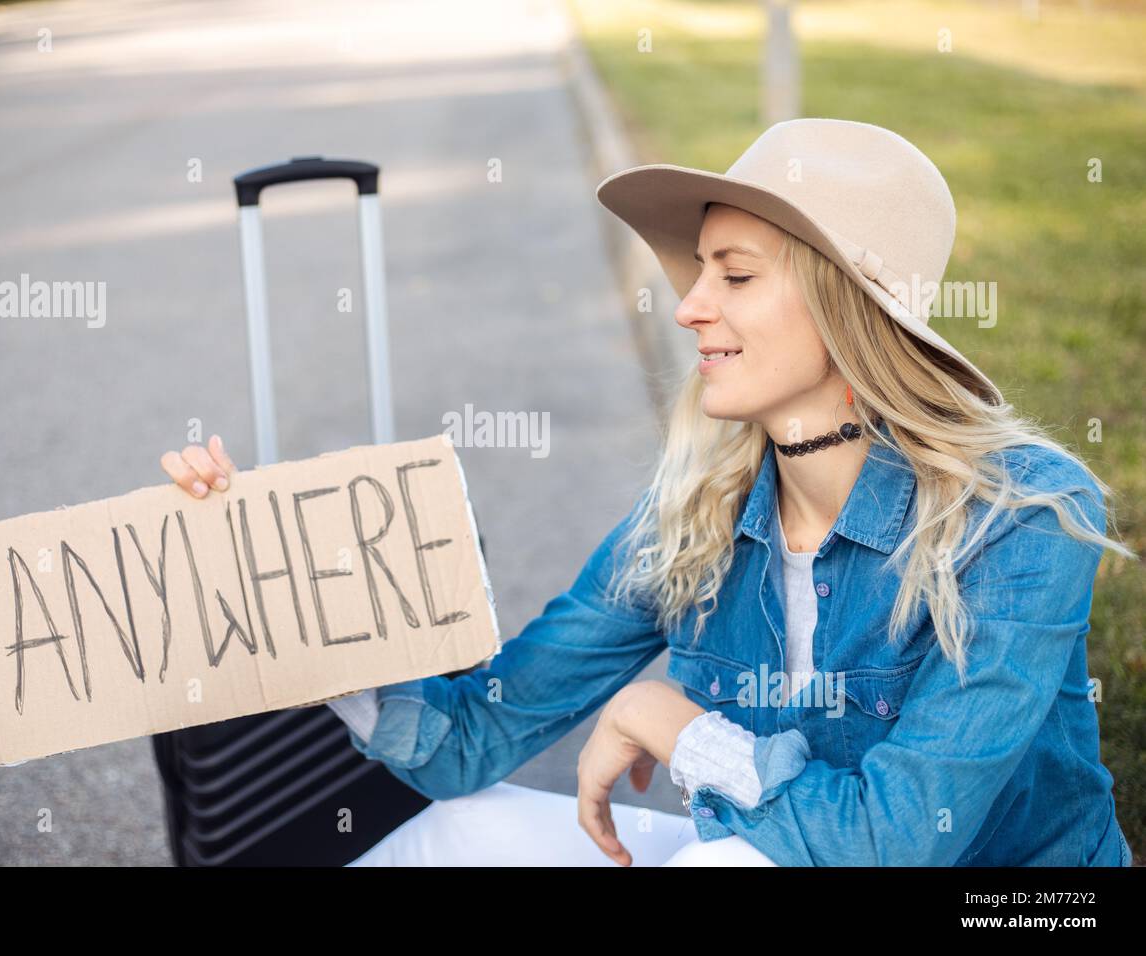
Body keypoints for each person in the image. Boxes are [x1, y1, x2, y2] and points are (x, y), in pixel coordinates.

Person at [159, 118, 1136, 867]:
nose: (688, 306)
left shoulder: (1021, 518)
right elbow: (472, 737)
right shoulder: (696, 508)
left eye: (734, 274)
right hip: (754, 847)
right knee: (447, 836)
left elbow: (890, 837)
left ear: (847, 308)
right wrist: (296, 597)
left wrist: (674, 724)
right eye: (697, 270)